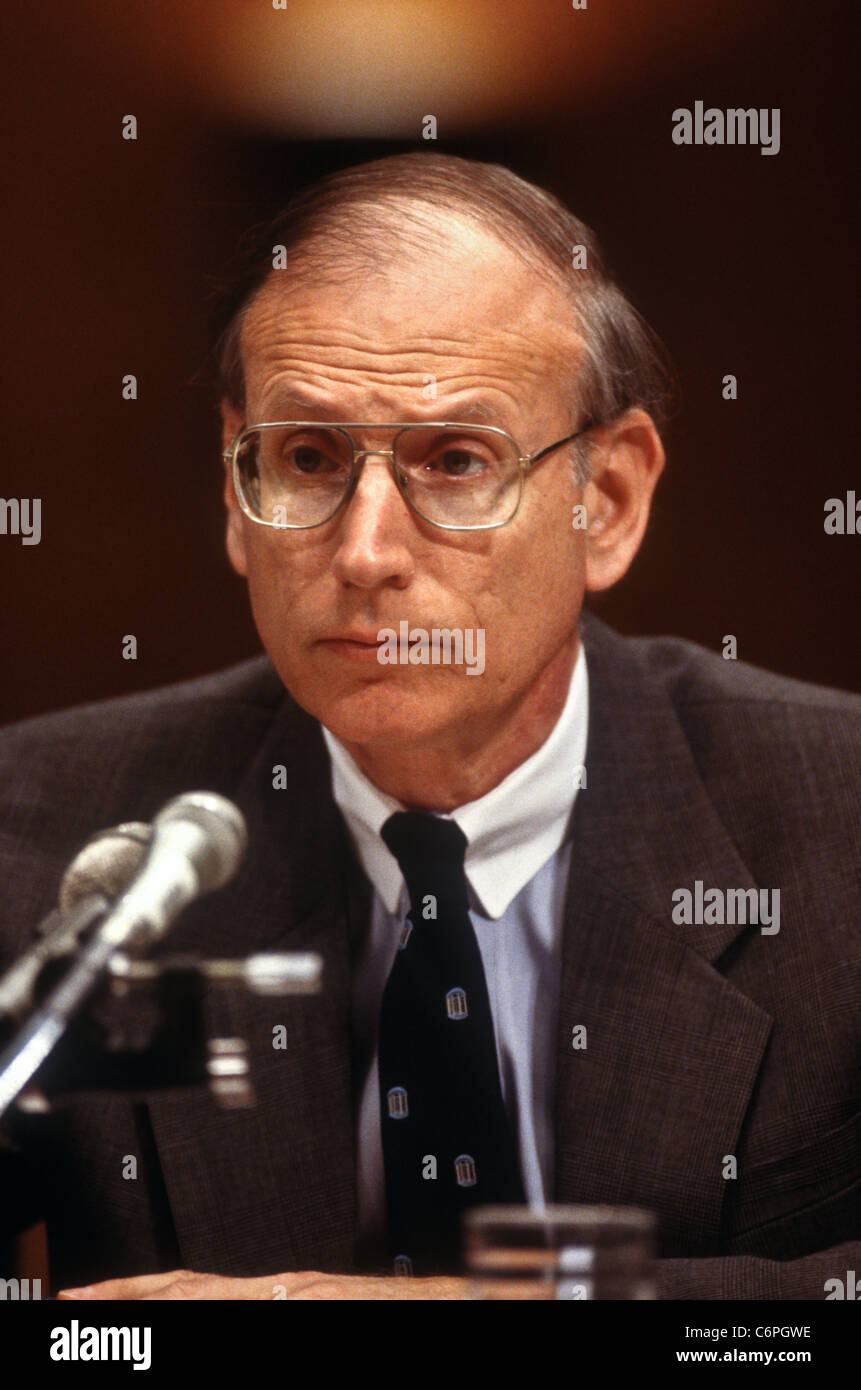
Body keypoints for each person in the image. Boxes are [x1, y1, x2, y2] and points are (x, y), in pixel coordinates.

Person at [0, 154, 857, 1301]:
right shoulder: (46, 829)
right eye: (306, 458)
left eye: (456, 462)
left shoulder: (837, 817)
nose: (362, 555)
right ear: (232, 488)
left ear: (606, 502)